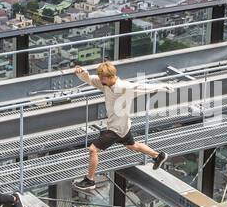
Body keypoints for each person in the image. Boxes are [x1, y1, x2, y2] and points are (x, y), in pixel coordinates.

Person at [72, 62, 168, 190]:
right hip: (121, 125)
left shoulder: (123, 87)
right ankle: (158, 156)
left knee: (93, 149)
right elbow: (89, 78)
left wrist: (161, 87)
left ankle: (90, 180)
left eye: (103, 78)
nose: (101, 80)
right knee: (131, 145)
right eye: (100, 77)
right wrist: (82, 72)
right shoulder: (104, 83)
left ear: (111, 76)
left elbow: (141, 87)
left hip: (116, 129)